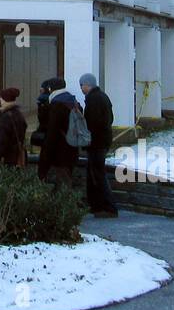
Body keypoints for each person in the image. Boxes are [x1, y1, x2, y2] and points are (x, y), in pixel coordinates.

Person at [79, 72, 118, 217]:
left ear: (87, 85)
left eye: (82, 85)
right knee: (95, 173)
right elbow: (110, 118)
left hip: (96, 143)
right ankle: (97, 205)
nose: (81, 88)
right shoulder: (102, 97)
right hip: (103, 141)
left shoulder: (93, 100)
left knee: (98, 175)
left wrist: (87, 138)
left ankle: (108, 207)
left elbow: (92, 123)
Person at [36, 77, 79, 186]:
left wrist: (45, 159)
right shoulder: (74, 102)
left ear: (50, 89)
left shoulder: (56, 105)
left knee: (61, 184)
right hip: (72, 148)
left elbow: (52, 134)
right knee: (67, 179)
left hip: (59, 152)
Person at [0, 87, 28, 167]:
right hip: (18, 155)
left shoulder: (6, 117)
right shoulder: (18, 114)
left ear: (4, 100)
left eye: (1, 99)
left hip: (8, 158)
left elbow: (2, 139)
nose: (0, 101)